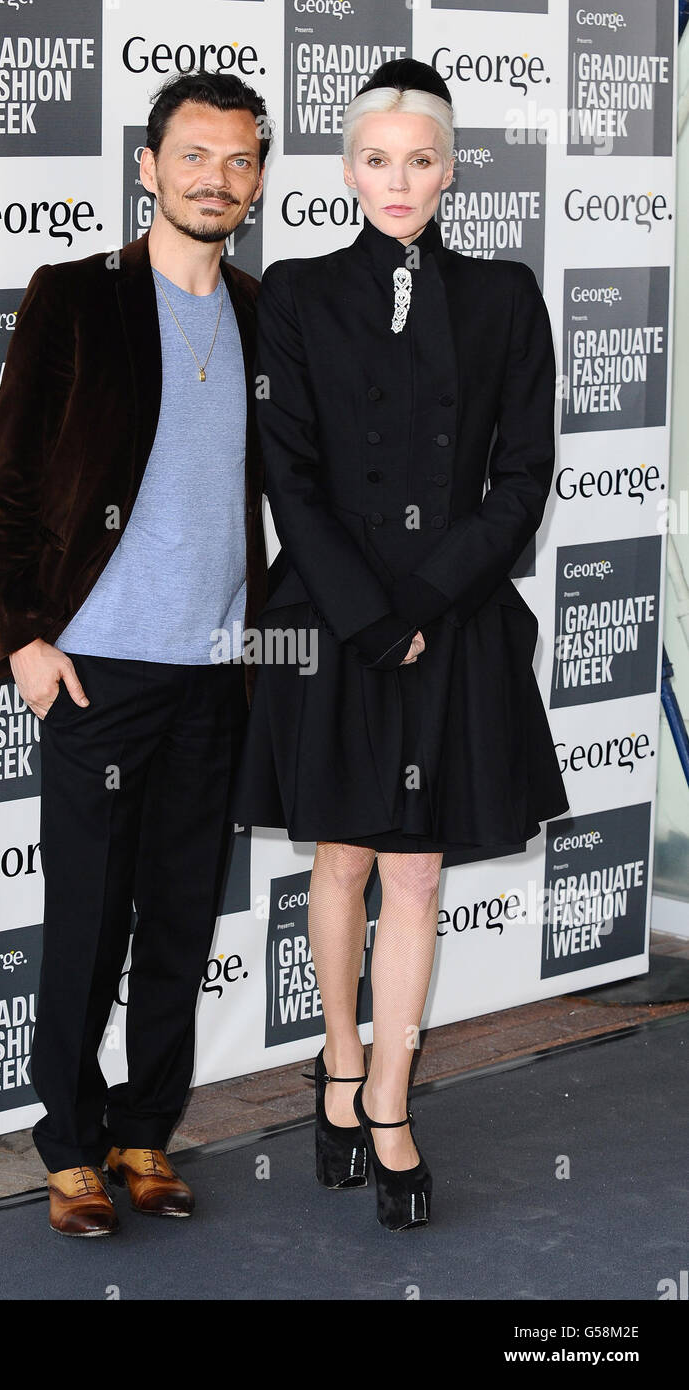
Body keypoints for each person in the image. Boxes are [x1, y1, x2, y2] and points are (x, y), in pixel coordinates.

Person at [230, 58, 570, 1232]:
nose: (398, 180)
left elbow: (522, 475)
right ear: (346, 167)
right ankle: (335, 1060)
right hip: (326, 617)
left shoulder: (503, 295)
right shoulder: (297, 291)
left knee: (416, 869)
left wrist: (426, 599)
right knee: (341, 857)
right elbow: (290, 470)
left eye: (419, 159)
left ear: (450, 167)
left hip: (458, 614)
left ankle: (386, 1093)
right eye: (376, 158)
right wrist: (370, 613)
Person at [0, 70, 269, 1236]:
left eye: (239, 160)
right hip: (95, 667)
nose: (216, 177)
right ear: (148, 168)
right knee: (89, 918)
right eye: (194, 155)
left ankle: (148, 1133)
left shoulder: (261, 311)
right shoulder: (77, 296)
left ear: (256, 179)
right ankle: (69, 1146)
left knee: (181, 916)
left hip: (215, 671)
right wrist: (27, 641)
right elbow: (8, 484)